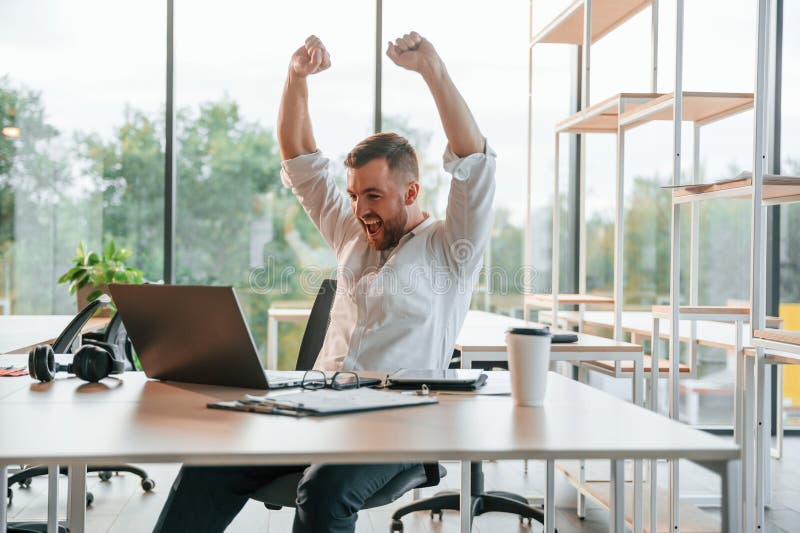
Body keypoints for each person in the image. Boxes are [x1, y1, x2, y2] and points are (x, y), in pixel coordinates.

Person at [152, 31, 495, 533]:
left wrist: (433, 71)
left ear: (410, 192)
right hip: (318, 405)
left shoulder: (451, 248)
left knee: (324, 488)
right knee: (210, 462)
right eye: (354, 196)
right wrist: (296, 78)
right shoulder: (353, 233)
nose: (360, 209)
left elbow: (474, 163)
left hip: (398, 421)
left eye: (373, 196)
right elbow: (300, 160)